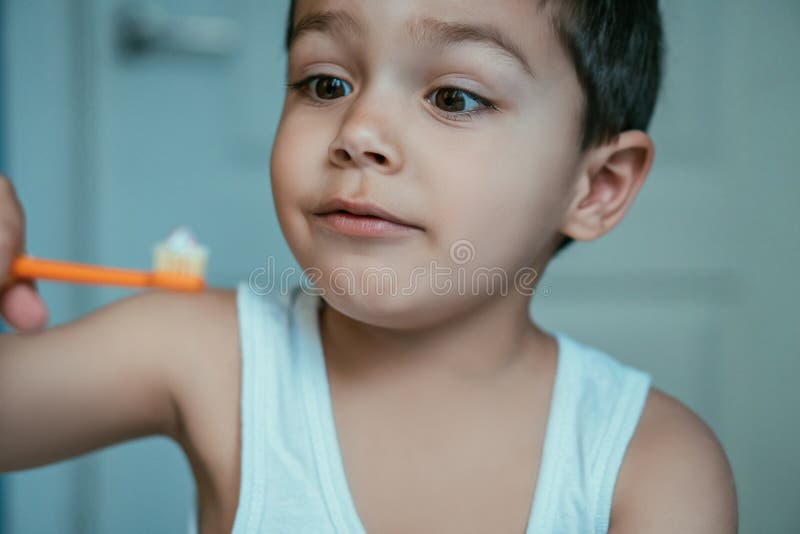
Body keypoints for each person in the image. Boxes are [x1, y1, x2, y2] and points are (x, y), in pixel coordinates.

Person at [0, 1, 738, 532]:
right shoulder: (197, 354)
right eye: (326, 84)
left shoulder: (651, 463)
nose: (358, 134)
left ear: (596, 187)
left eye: (453, 96)